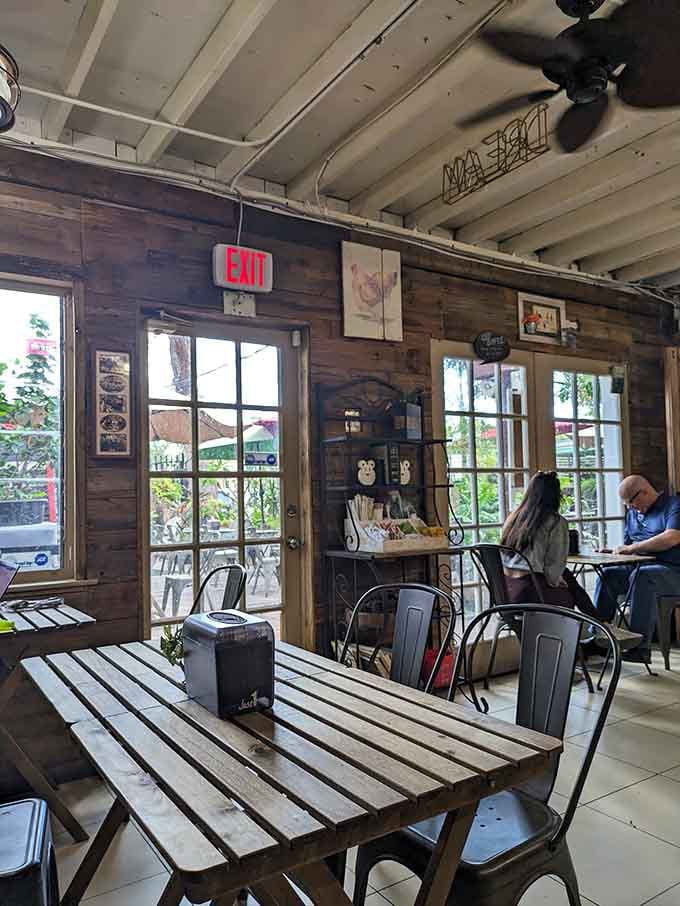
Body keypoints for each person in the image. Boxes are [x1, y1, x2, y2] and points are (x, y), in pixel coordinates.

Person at [594, 475, 680, 662]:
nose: (629, 508)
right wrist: (612, 553)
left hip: (673, 571)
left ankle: (639, 648)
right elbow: (628, 547)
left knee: (643, 577)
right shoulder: (633, 514)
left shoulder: (674, 505)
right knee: (607, 575)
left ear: (644, 492)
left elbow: (672, 537)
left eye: (631, 503)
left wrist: (632, 548)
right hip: (640, 568)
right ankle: (598, 639)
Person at [500, 471, 596, 614]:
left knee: (568, 577)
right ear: (556, 495)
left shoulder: (513, 519)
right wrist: (557, 580)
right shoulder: (555, 522)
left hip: (507, 594)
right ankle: (600, 623)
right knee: (569, 587)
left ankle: (600, 622)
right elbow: (553, 569)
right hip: (533, 595)